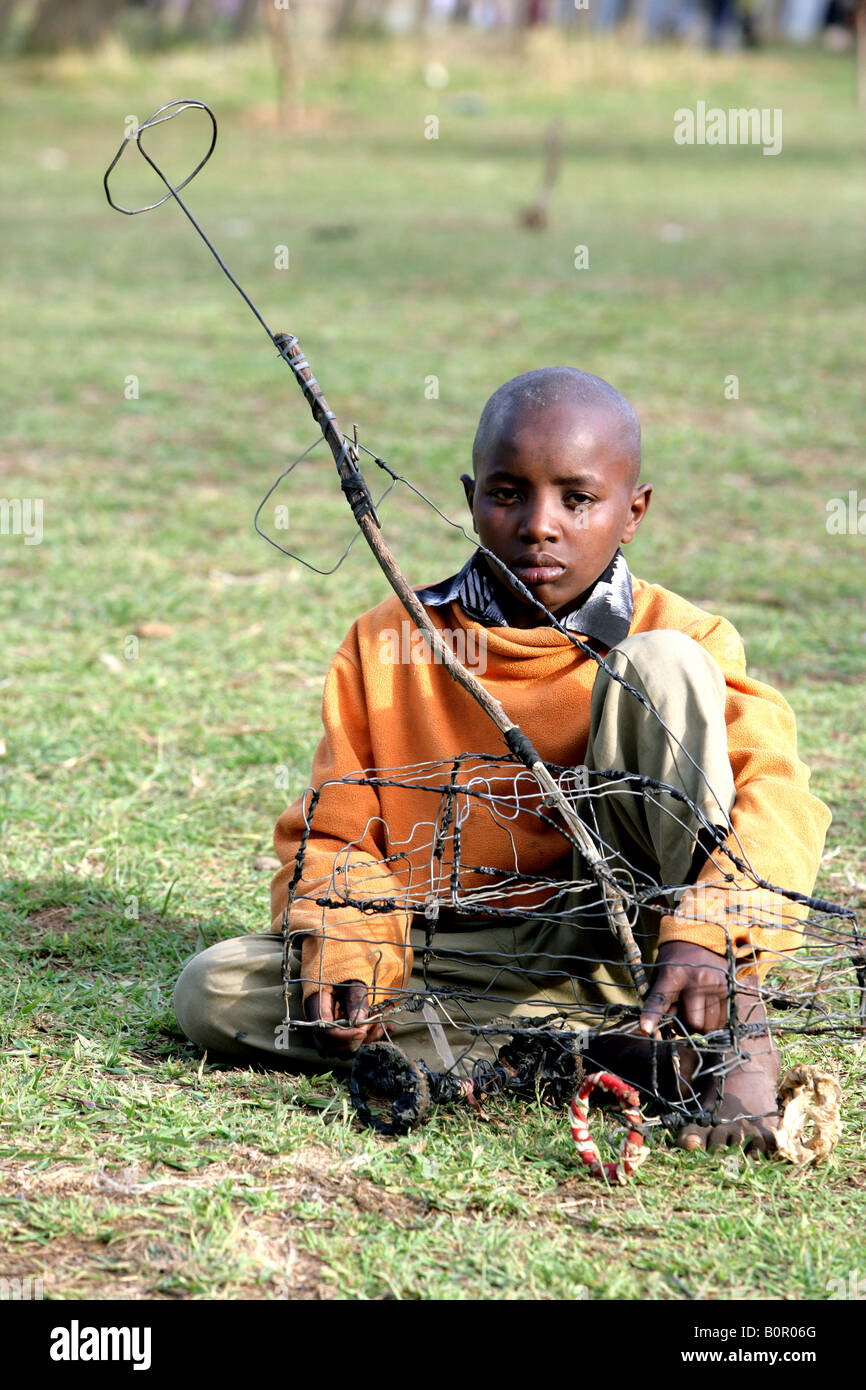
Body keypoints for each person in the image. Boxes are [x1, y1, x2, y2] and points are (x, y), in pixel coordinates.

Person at [174, 367, 831, 1154]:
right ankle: (581, 1055)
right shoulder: (393, 639)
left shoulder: (687, 633)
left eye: (578, 500)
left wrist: (709, 931)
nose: (540, 525)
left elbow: (777, 804)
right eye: (508, 493)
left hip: (629, 944)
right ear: (471, 495)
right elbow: (337, 836)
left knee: (662, 665)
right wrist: (350, 949)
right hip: (447, 950)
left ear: (634, 512)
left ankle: (717, 1016)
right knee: (212, 992)